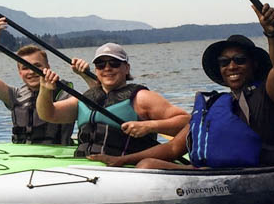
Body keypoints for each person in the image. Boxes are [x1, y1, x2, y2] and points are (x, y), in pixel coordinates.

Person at [102, 5, 274, 170]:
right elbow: (173, 147)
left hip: (261, 171)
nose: (232, 66)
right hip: (213, 175)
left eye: (240, 60)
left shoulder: (270, 94)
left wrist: (272, 34)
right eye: (225, 62)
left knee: (146, 168)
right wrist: (121, 160)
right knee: (147, 165)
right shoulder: (215, 105)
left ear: (255, 65)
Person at [35, 42, 189, 159]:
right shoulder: (85, 98)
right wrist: (45, 90)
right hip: (86, 166)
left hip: (126, 167)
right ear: (96, 70)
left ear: (127, 68)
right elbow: (48, 114)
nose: (107, 68)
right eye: (101, 65)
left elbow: (187, 121)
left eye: (114, 64)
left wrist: (150, 125)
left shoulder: (141, 97)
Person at [0, 12, 100, 145]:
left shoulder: (65, 94)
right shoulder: (15, 96)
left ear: (48, 66)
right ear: (20, 73)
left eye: (37, 66)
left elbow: (100, 98)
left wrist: (85, 75)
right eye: (25, 68)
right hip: (22, 155)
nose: (31, 72)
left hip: (57, 156)